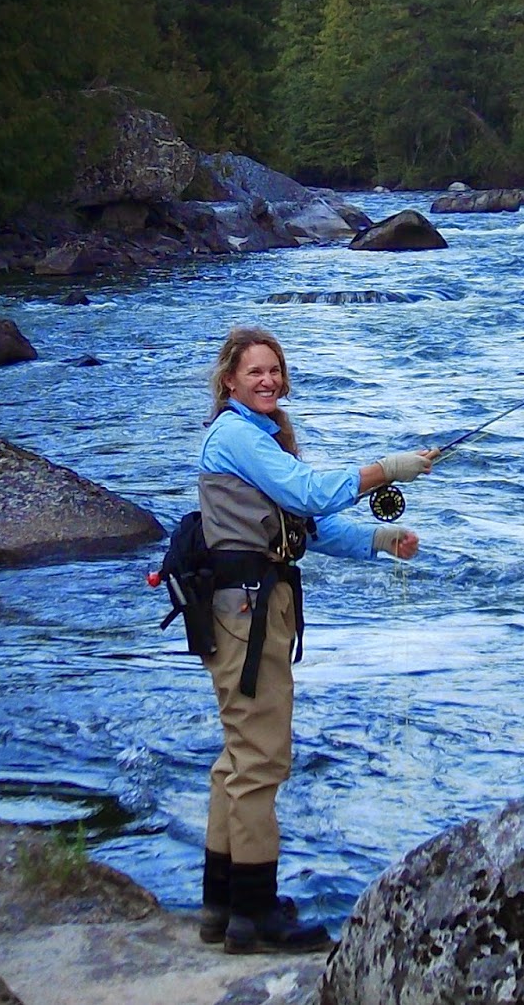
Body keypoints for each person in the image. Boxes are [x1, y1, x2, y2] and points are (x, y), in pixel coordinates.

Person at [193, 326, 432, 954]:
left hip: (246, 605)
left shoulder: (259, 437)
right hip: (246, 612)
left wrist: (381, 541)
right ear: (229, 382)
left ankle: (222, 907)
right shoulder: (237, 435)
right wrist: (388, 469)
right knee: (260, 759)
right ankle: (255, 913)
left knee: (236, 756)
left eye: (275, 370)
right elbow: (306, 492)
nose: (268, 380)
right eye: (255, 372)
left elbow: (307, 525)